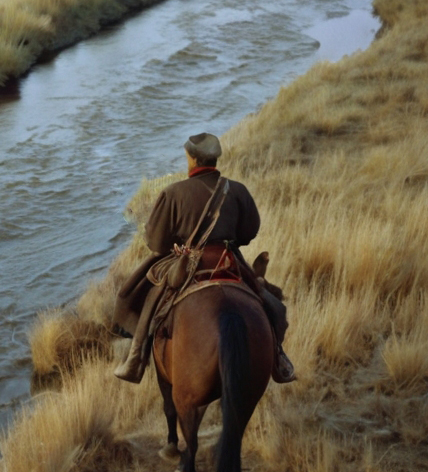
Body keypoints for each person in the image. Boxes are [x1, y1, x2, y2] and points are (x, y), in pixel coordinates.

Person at [113, 132, 295, 384]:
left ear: (192, 159)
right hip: (227, 258)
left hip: (185, 260)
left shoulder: (173, 193)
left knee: (137, 294)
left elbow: (155, 242)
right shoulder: (238, 191)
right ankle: (278, 355)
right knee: (263, 296)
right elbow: (250, 231)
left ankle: (136, 357)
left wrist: (176, 246)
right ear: (214, 160)